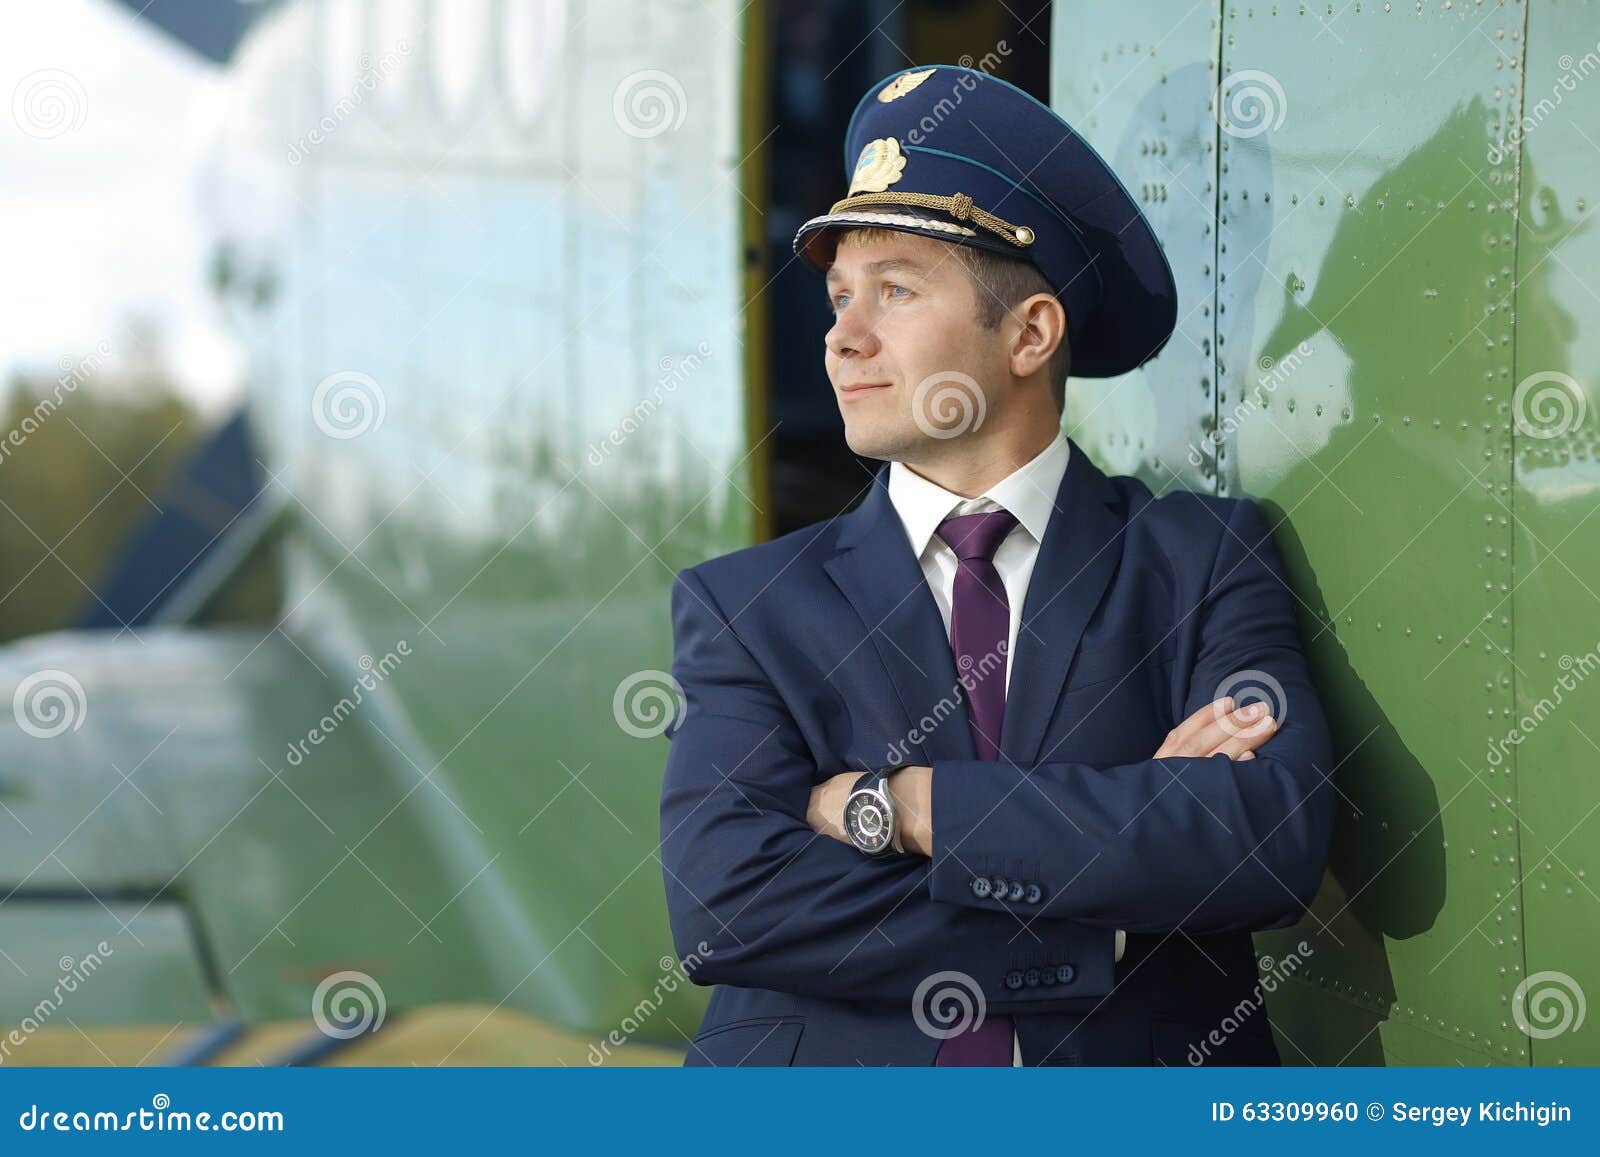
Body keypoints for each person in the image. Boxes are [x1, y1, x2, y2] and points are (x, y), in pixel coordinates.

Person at [658, 64, 1334, 1066]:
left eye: (894, 291)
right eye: (839, 297)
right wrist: (1102, 906)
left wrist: (897, 803)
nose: (841, 339)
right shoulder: (745, 606)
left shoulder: (1199, 558)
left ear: (1029, 333)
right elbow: (729, 904)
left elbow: (1263, 841)